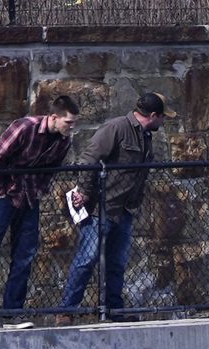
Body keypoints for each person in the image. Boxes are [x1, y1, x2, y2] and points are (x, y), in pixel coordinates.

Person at [0, 93, 77, 330]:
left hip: (29, 198)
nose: (72, 127)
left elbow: (52, 170)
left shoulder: (64, 141)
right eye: (68, 122)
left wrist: (40, 190)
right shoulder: (25, 127)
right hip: (3, 196)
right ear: (54, 117)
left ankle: (12, 313)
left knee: (24, 256)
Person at [53, 90, 165, 320]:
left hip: (125, 210)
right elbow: (89, 158)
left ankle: (114, 310)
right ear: (153, 115)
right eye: (162, 117)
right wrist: (84, 191)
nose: (164, 121)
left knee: (117, 263)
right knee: (87, 259)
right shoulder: (116, 128)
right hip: (102, 209)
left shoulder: (144, 136)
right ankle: (67, 310)